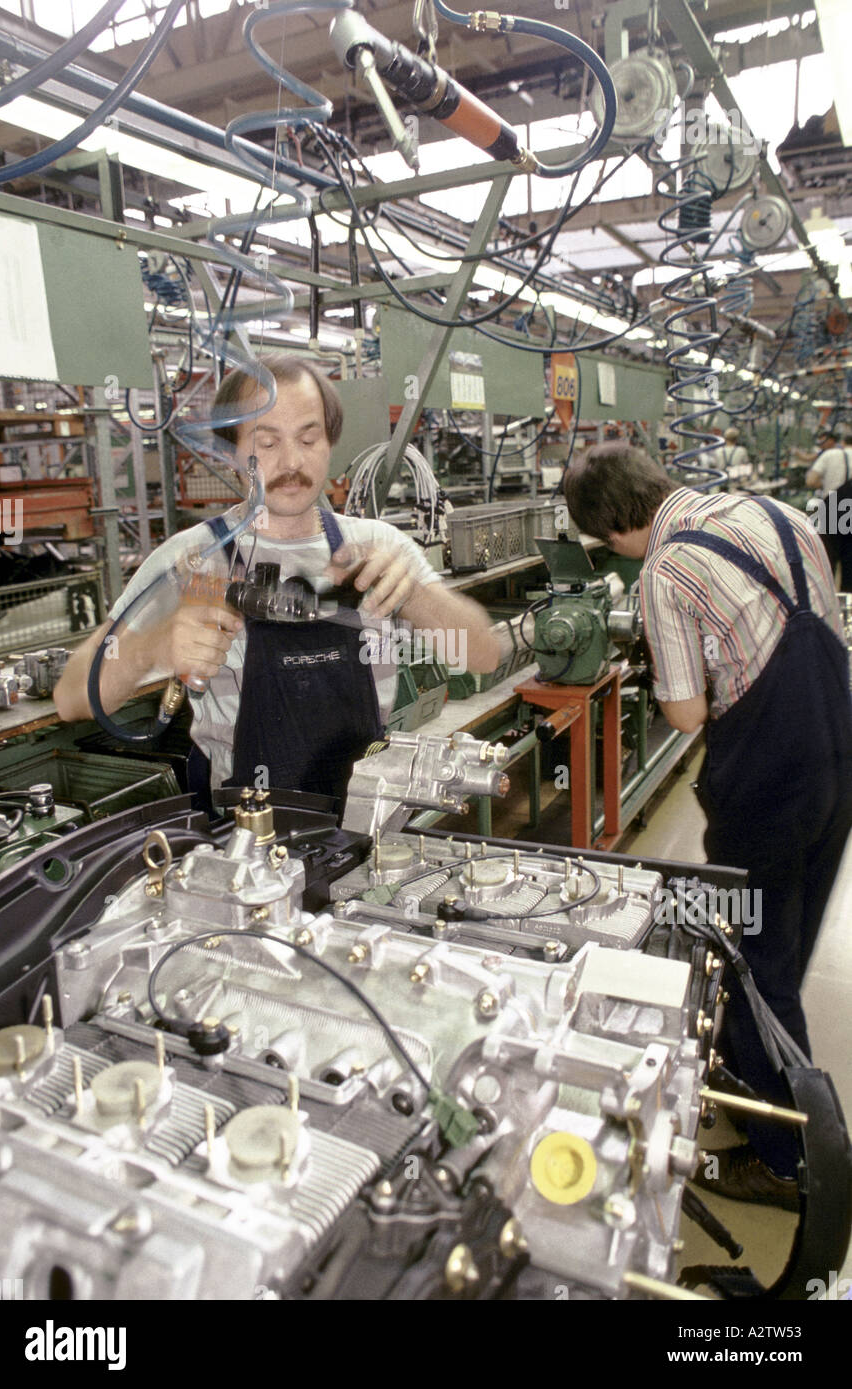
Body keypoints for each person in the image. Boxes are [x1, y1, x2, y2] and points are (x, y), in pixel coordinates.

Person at [563, 442, 852, 1209]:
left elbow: (686, 714)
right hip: (836, 758)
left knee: (758, 967)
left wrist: (663, 669)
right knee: (781, 949)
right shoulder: (783, 515)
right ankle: (754, 1095)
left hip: (766, 780)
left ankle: (792, 1163)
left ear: (613, 527)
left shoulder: (662, 569)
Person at [55, 354, 500, 805]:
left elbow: (483, 655)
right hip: (242, 837)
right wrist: (152, 645)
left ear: (330, 444)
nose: (292, 461)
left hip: (365, 815)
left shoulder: (376, 546)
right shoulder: (194, 561)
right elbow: (72, 699)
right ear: (231, 453)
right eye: (267, 443)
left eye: (309, 439)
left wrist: (417, 599)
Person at [805, 427, 852, 590]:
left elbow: (811, 481)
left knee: (827, 559)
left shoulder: (830, 454)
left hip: (832, 508)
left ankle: (827, 599)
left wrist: (824, 484)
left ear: (841, 442)